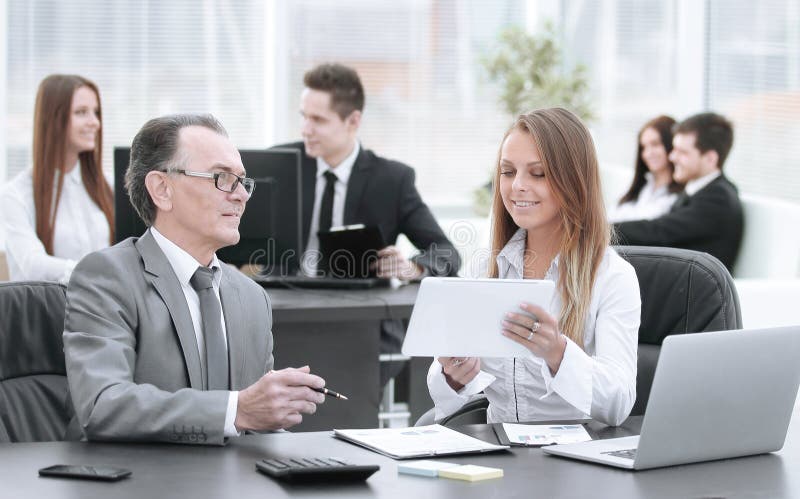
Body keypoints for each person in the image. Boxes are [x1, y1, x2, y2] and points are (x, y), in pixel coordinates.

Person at [63, 114, 326, 445]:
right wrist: (236, 410)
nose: (242, 195)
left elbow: (256, 426)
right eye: (221, 178)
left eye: (242, 181)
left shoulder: (252, 297)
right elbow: (102, 406)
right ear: (162, 189)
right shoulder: (106, 277)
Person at [427, 108, 641, 426]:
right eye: (508, 172)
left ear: (574, 181)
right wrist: (453, 376)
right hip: (498, 450)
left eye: (538, 173)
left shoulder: (612, 277)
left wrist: (557, 352)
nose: (518, 187)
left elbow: (618, 403)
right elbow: (446, 392)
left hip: (577, 459)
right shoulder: (486, 268)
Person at [275, 62, 461, 386]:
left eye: (318, 120)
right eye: (303, 116)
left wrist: (412, 269)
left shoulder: (391, 179)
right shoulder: (279, 165)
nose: (305, 129)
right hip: (285, 316)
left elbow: (446, 252)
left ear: (353, 121)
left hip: (359, 324)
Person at [0, 74, 114, 284]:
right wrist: (100, 277)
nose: (95, 122)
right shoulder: (16, 195)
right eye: (81, 112)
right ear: (53, 120)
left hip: (105, 312)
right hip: (51, 313)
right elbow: (33, 266)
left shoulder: (110, 187)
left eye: (96, 112)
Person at [614, 112, 743, 272]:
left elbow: (659, 231)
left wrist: (603, 230)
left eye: (683, 152)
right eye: (674, 149)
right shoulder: (698, 191)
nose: (672, 157)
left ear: (710, 159)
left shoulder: (718, 198)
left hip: (693, 293)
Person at [608, 115, 683, 223]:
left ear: (671, 144)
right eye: (644, 147)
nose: (648, 154)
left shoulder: (680, 196)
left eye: (655, 144)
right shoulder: (642, 186)